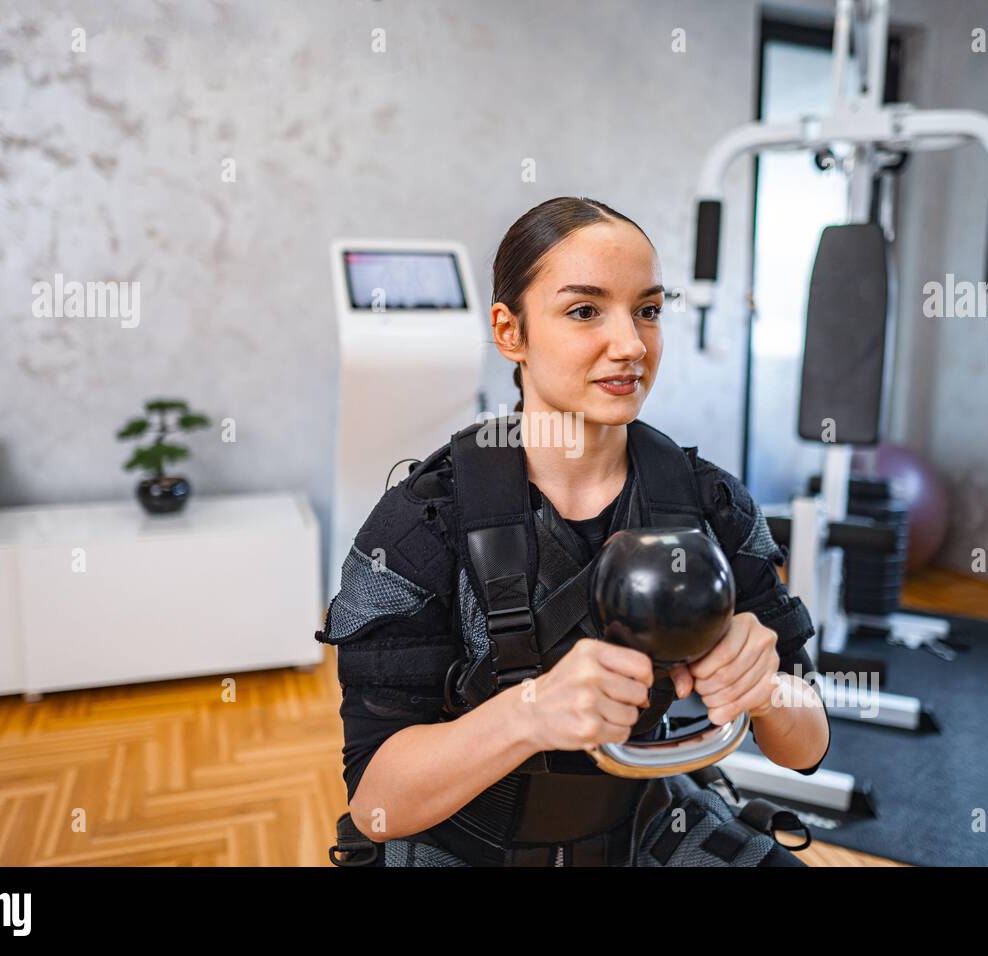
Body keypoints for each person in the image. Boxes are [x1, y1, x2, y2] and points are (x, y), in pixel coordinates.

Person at [317, 197, 831, 867]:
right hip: (464, 841)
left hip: (647, 819)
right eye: (585, 311)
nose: (630, 345)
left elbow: (807, 747)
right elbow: (378, 806)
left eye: (647, 310)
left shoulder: (712, 504)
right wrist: (529, 713)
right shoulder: (421, 525)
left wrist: (765, 687)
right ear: (511, 332)